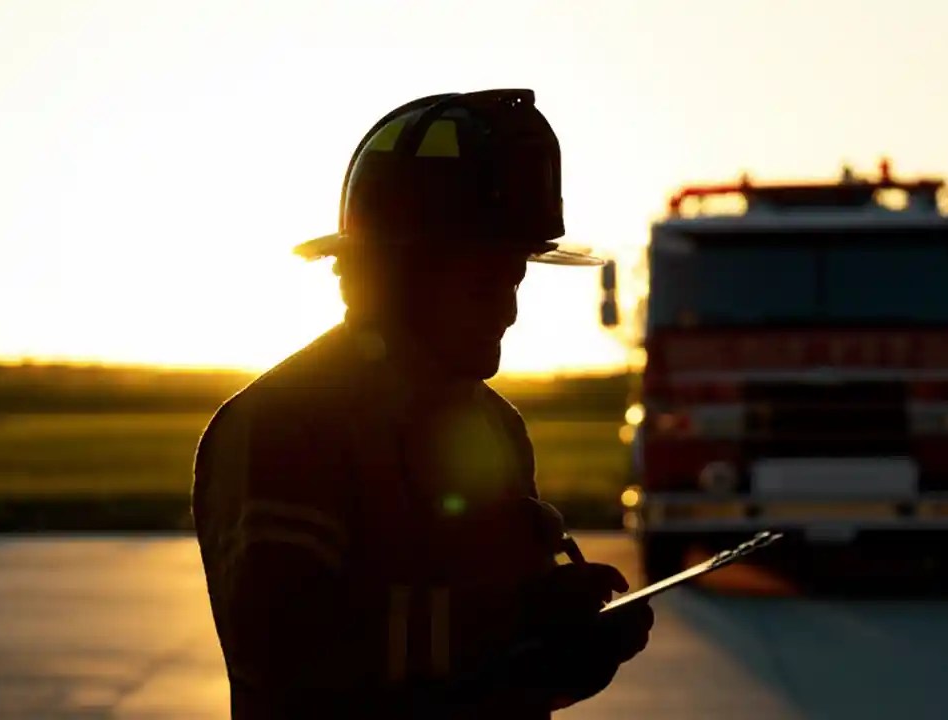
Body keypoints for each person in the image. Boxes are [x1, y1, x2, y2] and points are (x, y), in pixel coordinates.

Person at [192, 89, 654, 719]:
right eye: (481, 281)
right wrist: (518, 620)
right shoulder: (282, 426)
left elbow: (489, 670)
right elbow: (287, 653)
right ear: (393, 278)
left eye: (515, 277)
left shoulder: (494, 424)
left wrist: (569, 644)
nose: (509, 308)